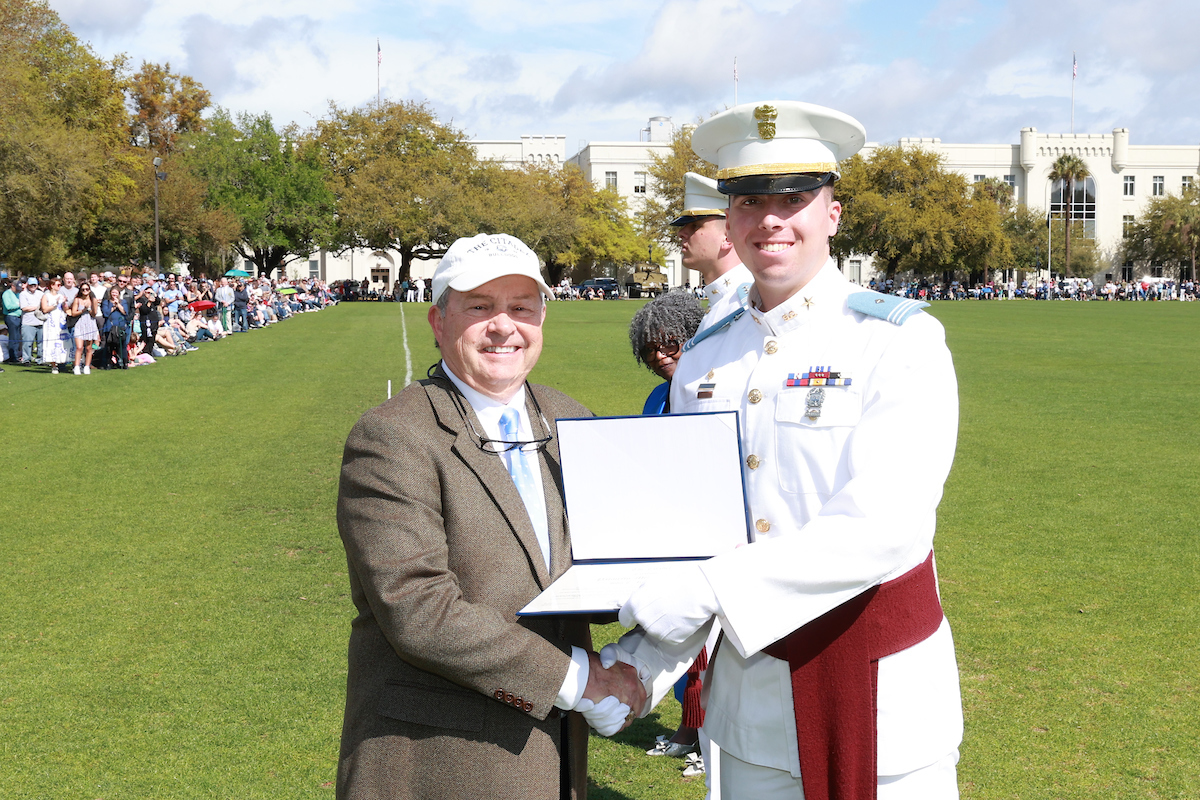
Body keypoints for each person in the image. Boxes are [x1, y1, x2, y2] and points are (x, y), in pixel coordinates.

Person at [609, 102, 963, 800]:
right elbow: (691, 534)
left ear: (832, 213)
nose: (771, 218)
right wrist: (638, 665)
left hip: (884, 702)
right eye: (748, 200)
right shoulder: (704, 359)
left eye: (794, 198)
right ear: (730, 218)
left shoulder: (897, 340)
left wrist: (709, 590)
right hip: (752, 715)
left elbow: (884, 528)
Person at [336, 233, 646, 800]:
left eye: (521, 308)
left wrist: (643, 658)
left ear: (543, 319)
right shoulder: (392, 437)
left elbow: (615, 561)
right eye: (479, 307)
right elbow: (419, 610)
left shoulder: (573, 419)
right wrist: (582, 682)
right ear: (438, 320)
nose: (504, 326)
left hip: (554, 760)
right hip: (439, 766)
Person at [627, 290, 714, 783]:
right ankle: (687, 728)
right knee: (670, 636)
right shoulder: (657, 398)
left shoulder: (715, 387)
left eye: (672, 344)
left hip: (711, 538)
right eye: (651, 349)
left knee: (712, 648)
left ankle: (709, 738)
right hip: (665, 536)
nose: (661, 355)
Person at [672, 172, 753, 331]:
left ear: (728, 236)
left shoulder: (749, 305)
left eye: (695, 226)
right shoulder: (723, 301)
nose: (681, 233)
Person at [68, 282, 100, 374]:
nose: (85, 291)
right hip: (79, 323)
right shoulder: (77, 300)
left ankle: (86, 366)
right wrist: (83, 310)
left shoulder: (93, 300)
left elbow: (94, 313)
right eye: (83, 289)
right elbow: (73, 313)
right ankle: (77, 366)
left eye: (87, 289)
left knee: (89, 347)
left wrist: (89, 308)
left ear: (89, 290)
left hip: (90, 323)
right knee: (79, 347)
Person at [19, 277, 44, 365]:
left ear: (37, 285)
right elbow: (24, 307)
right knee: (27, 342)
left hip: (40, 321)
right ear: (28, 285)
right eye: (31, 285)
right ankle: (26, 359)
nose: (33, 286)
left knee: (41, 343)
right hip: (28, 322)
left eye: (34, 285)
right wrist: (37, 307)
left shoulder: (41, 294)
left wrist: (34, 307)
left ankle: (40, 359)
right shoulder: (23, 294)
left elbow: (44, 305)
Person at [2, 277, 21, 364]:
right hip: (11, 317)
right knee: (13, 337)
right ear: (12, 286)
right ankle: (12, 357)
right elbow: (8, 306)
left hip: (18, 317)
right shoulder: (7, 294)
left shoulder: (18, 294)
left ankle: (16, 356)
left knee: (17, 337)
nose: (18, 290)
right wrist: (19, 305)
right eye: (17, 288)